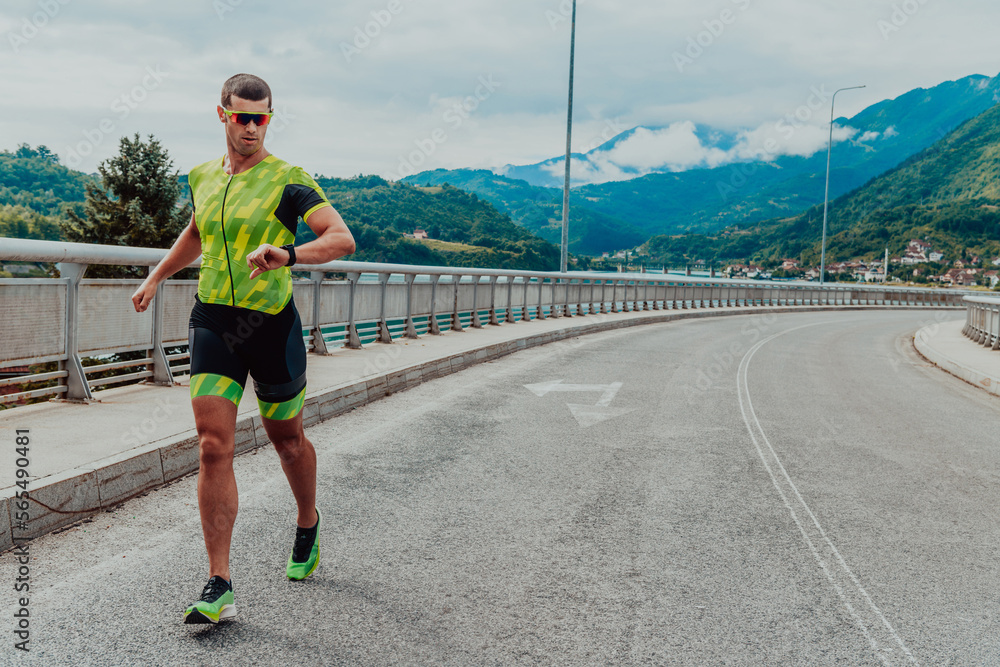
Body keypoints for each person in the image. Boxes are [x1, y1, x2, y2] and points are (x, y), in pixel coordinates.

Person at [131, 73, 356, 624]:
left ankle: (308, 521)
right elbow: (198, 231)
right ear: (223, 115)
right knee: (213, 445)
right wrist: (157, 275)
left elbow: (341, 238)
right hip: (213, 319)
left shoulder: (289, 180)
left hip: (270, 326)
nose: (252, 127)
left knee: (287, 441)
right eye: (243, 117)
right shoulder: (202, 176)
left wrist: (290, 255)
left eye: (262, 118)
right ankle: (219, 583)